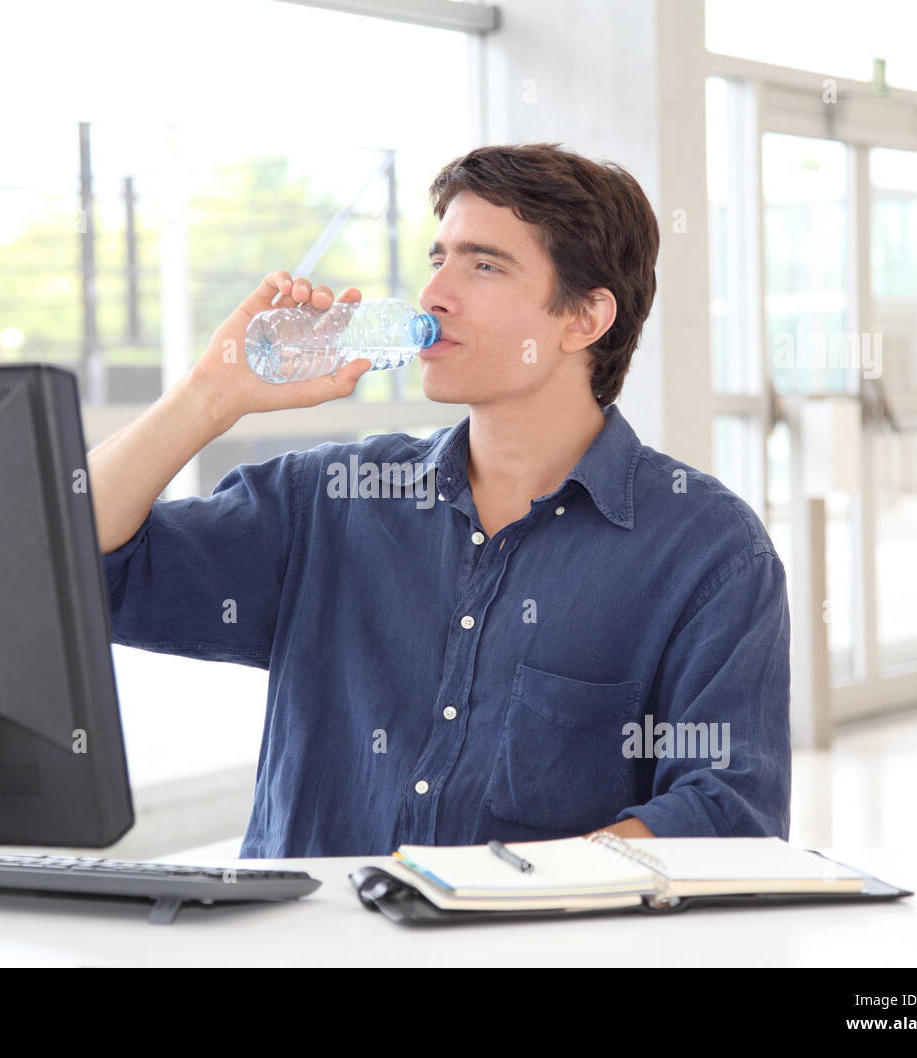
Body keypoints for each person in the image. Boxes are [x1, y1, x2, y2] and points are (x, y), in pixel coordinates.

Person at [89, 143, 791, 858]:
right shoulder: (330, 501)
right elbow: (77, 567)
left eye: (483, 265)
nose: (433, 295)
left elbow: (727, 811)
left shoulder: (709, 551)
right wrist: (211, 394)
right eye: (437, 259)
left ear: (583, 318)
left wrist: (509, 889)